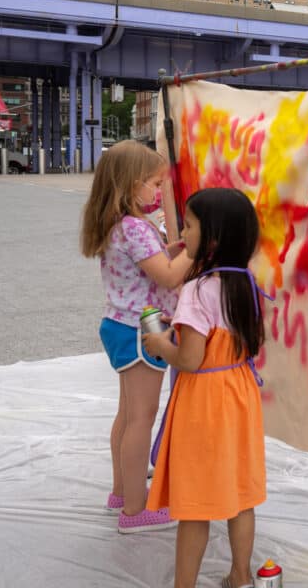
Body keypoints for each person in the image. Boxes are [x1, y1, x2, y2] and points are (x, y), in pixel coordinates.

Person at [142, 187, 268, 588]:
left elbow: (190, 359)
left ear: (211, 238)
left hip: (205, 401)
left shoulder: (197, 288)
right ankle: (241, 576)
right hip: (240, 394)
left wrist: (162, 343)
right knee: (240, 495)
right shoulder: (246, 280)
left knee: (195, 504)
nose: (182, 230)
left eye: (190, 223)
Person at [79, 140, 192, 533]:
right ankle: (136, 511)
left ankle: (120, 493)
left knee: (128, 416)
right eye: (153, 184)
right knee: (141, 419)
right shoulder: (135, 228)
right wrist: (193, 251)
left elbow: (154, 262)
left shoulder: (118, 225)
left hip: (119, 324)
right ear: (129, 185)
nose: (158, 192)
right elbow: (168, 275)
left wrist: (170, 247)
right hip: (144, 328)